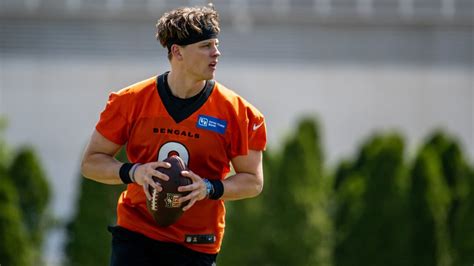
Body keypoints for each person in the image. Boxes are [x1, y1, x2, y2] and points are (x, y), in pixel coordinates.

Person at [81, 4, 267, 266]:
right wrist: (135, 172)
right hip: (136, 234)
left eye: (215, 44)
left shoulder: (238, 113)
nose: (217, 53)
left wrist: (208, 188)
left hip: (196, 242)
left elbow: (253, 181)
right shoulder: (131, 101)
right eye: (205, 46)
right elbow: (91, 162)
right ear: (177, 51)